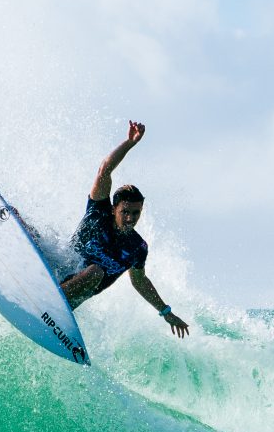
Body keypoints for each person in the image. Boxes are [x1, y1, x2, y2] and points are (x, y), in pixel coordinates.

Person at [58, 121, 190, 337]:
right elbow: (104, 170)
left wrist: (166, 312)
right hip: (57, 269)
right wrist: (130, 143)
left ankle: (54, 304)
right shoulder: (98, 213)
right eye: (125, 212)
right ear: (114, 209)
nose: (130, 218)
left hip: (69, 298)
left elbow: (139, 281)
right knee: (30, 227)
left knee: (95, 272)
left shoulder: (137, 248)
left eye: (136, 213)